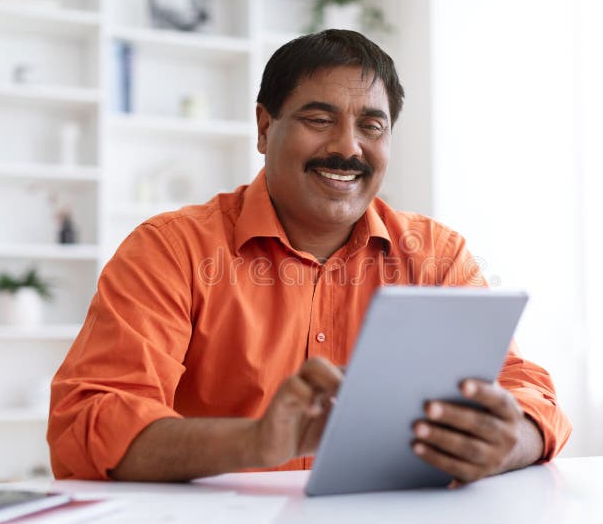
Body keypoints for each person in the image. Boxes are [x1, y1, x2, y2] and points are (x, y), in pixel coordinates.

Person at [47, 29, 571, 485]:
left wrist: (508, 441)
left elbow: (529, 392)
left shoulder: (438, 256)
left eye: (372, 126)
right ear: (264, 128)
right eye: (319, 119)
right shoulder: (170, 249)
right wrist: (254, 442)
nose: (349, 147)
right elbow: (88, 420)